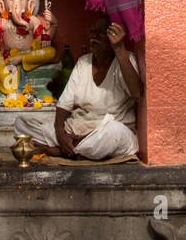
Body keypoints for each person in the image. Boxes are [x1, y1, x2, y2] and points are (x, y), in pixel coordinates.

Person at [12, 14, 142, 160]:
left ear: (113, 37)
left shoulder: (125, 59)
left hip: (106, 132)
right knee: (21, 123)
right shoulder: (83, 62)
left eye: (100, 34)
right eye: (92, 32)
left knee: (115, 132)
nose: (94, 37)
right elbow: (64, 105)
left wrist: (119, 49)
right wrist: (61, 133)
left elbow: (136, 93)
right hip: (77, 129)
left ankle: (60, 151)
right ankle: (77, 150)